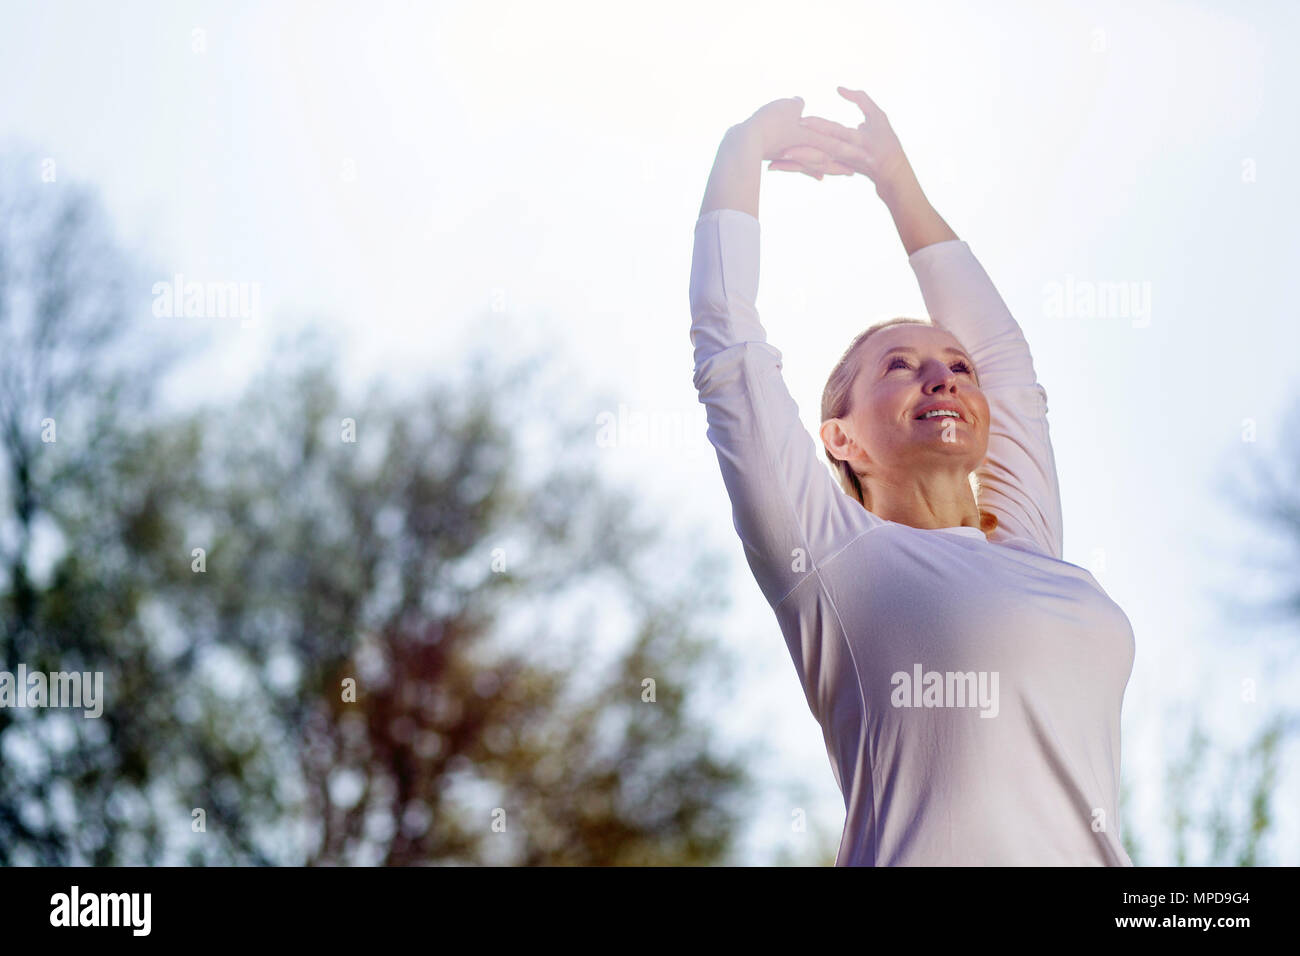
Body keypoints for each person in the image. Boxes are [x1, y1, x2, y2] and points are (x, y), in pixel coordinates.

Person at [688, 88, 1135, 865]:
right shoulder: (831, 558)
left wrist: (896, 180)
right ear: (841, 439)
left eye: (957, 368)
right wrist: (742, 147)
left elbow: (1009, 364)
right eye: (901, 366)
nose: (944, 378)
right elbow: (730, 354)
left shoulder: (1028, 542)